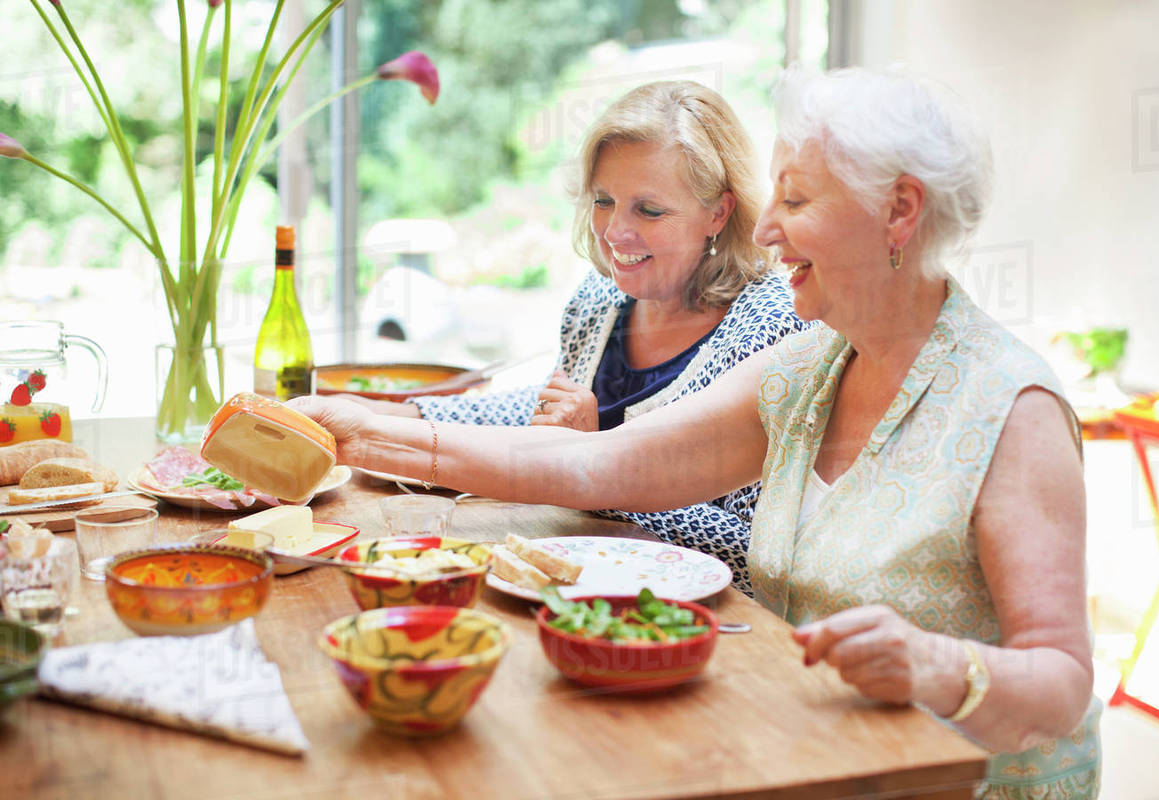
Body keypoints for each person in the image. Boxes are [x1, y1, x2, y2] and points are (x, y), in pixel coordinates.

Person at [294, 66, 1100, 798]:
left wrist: (932, 664)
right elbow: (597, 466)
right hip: (822, 755)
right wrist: (361, 431)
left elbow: (1061, 682)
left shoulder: (1010, 406)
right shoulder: (811, 366)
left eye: (796, 199)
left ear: (898, 210)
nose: (770, 228)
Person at [345, 81, 806, 592]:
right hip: (575, 591)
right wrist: (398, 413)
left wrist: (590, 464)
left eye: (649, 211)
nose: (614, 232)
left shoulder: (771, 330)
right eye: (605, 200)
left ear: (718, 212)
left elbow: (754, 554)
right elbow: (547, 409)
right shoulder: (602, 297)